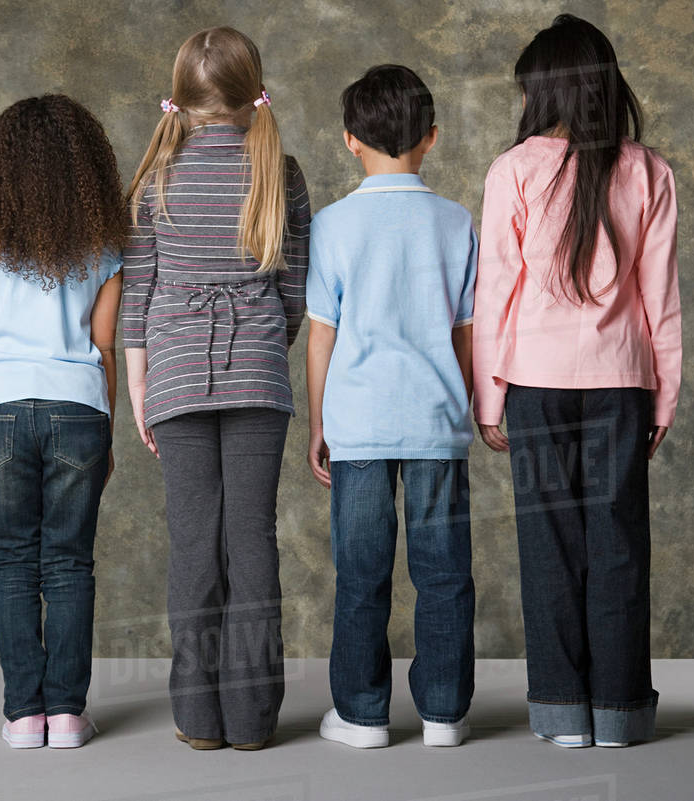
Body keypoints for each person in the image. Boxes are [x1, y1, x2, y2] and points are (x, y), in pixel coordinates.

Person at [474, 14, 682, 748]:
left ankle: (563, 713)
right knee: (619, 542)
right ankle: (621, 713)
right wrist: (664, 396)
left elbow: (495, 294)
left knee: (549, 543)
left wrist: (489, 396)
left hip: (535, 384)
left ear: (546, 91)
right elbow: (661, 297)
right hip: (623, 382)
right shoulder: (648, 170)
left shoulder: (513, 169)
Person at [121, 26, 310, 751]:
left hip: (173, 379)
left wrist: (141, 388)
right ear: (251, 90)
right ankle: (254, 719)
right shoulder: (280, 172)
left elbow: (137, 296)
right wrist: (261, 351)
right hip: (259, 375)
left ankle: (199, 720)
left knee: (194, 546)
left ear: (180, 96)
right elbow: (293, 293)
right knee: (252, 541)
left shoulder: (155, 177)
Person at [306, 64, 477, 749]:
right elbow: (465, 333)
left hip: (358, 423)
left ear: (350, 140)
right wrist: (462, 405)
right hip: (437, 420)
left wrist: (319, 422)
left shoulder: (331, 224)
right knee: (445, 574)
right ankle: (444, 713)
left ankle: (361, 715)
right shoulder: (457, 221)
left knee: (361, 574)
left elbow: (323, 335)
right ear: (431, 137)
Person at [0, 94, 127, 749]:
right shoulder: (104, 246)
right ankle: (69, 715)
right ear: (85, 167)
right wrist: (107, 430)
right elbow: (104, 345)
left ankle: (24, 716)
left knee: (13, 564)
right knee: (70, 564)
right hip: (78, 408)